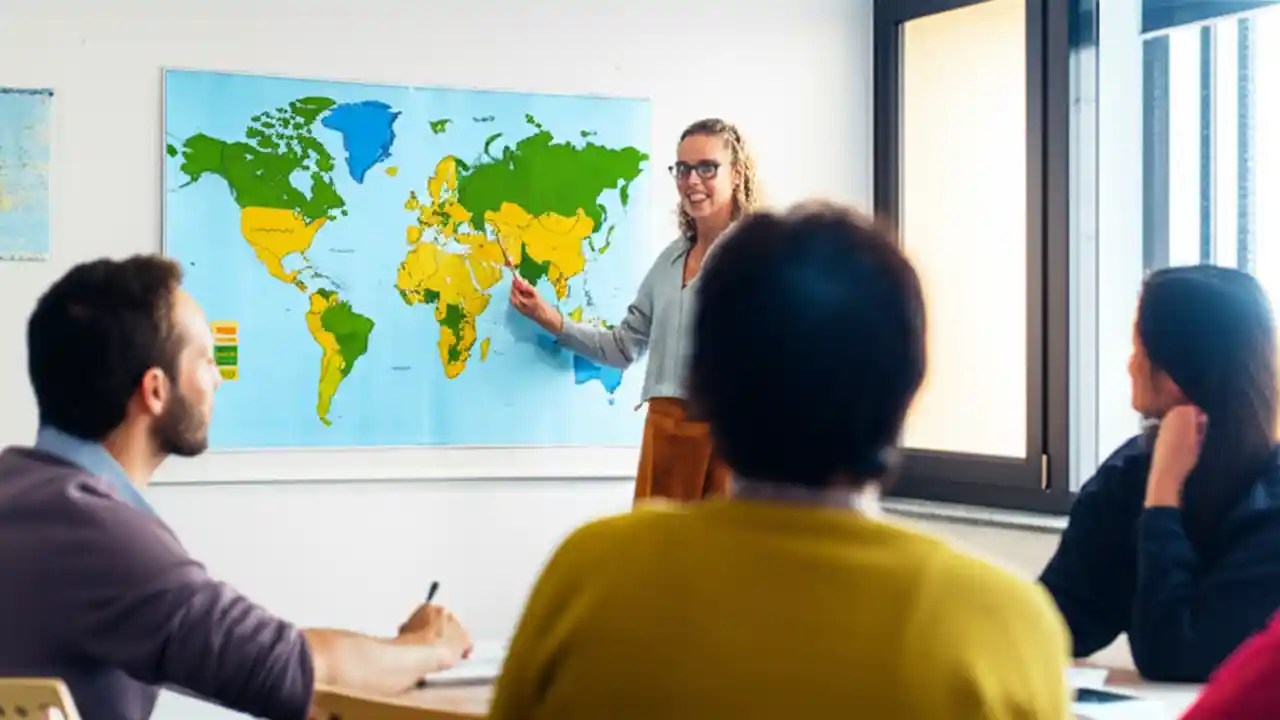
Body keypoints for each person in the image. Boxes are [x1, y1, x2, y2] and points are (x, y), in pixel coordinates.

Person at [489, 203, 1072, 720]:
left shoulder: (590, 579)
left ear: (702, 380)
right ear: (911, 386)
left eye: (705, 166)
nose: (692, 180)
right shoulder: (1003, 628)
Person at [0, 256, 472, 720]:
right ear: (156, 391)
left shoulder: (17, 489)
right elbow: (298, 677)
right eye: (206, 360)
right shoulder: (103, 539)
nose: (219, 378)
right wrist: (431, 649)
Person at [1040, 265, 1280, 682]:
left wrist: (1164, 497)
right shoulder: (1130, 473)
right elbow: (1057, 623)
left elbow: (1177, 655)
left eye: (1139, 349)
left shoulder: (1270, 500)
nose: (1130, 365)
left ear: (1174, 377)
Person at [509, 117, 761, 502]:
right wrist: (549, 318)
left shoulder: (759, 257)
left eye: (707, 168)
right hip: (665, 435)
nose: (692, 181)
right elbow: (623, 347)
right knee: (658, 560)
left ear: (737, 174)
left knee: (719, 560)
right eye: (683, 169)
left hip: (729, 440)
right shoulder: (669, 260)